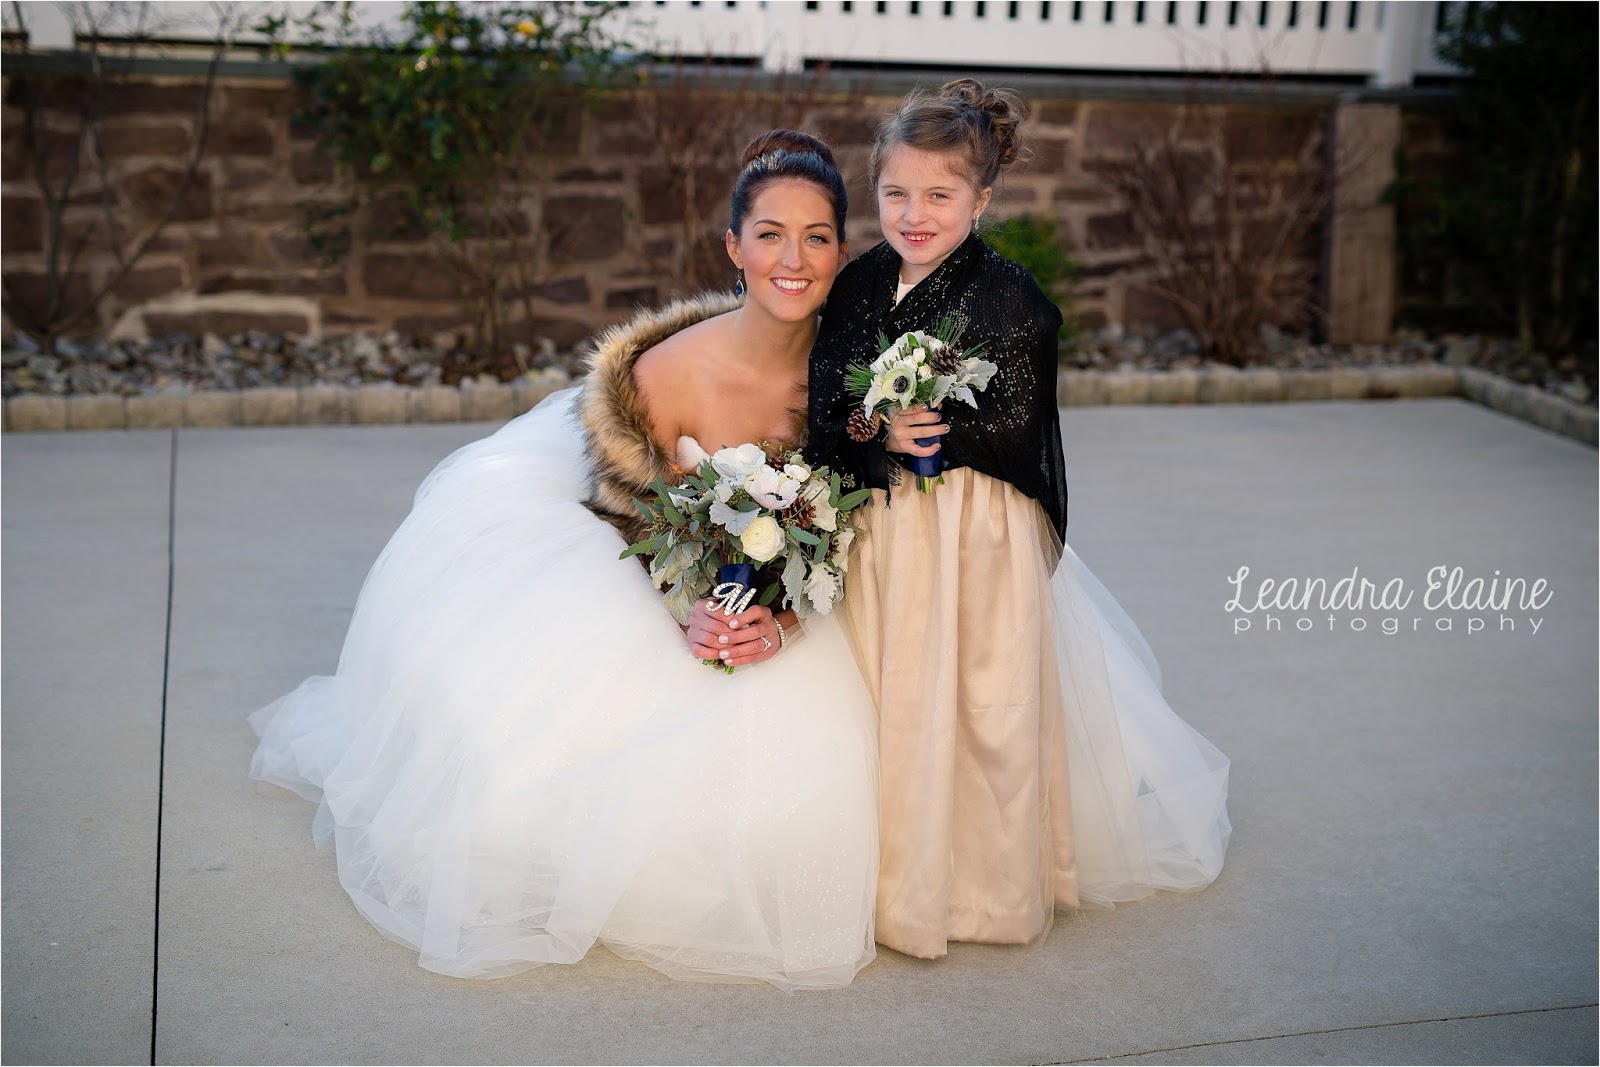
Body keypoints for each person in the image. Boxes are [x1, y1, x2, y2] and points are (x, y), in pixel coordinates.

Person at [250, 131, 881, 991]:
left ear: (842, 251)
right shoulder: (663, 377)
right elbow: (631, 525)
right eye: (770, 234)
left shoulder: (852, 381)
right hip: (639, 545)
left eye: (816, 237)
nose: (793, 259)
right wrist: (690, 608)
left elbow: (852, 520)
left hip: (778, 573)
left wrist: (784, 620)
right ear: (734, 247)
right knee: (552, 760)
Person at [808, 80, 1232, 961]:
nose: (915, 214)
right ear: (874, 190)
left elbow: (1020, 422)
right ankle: (890, 883)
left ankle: (987, 890)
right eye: (896, 193)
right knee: (891, 695)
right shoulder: (856, 287)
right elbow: (825, 400)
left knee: (979, 701)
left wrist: (937, 422)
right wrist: (875, 427)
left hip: (974, 534)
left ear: (981, 199)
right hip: (883, 528)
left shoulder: (1011, 298)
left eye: (940, 195)